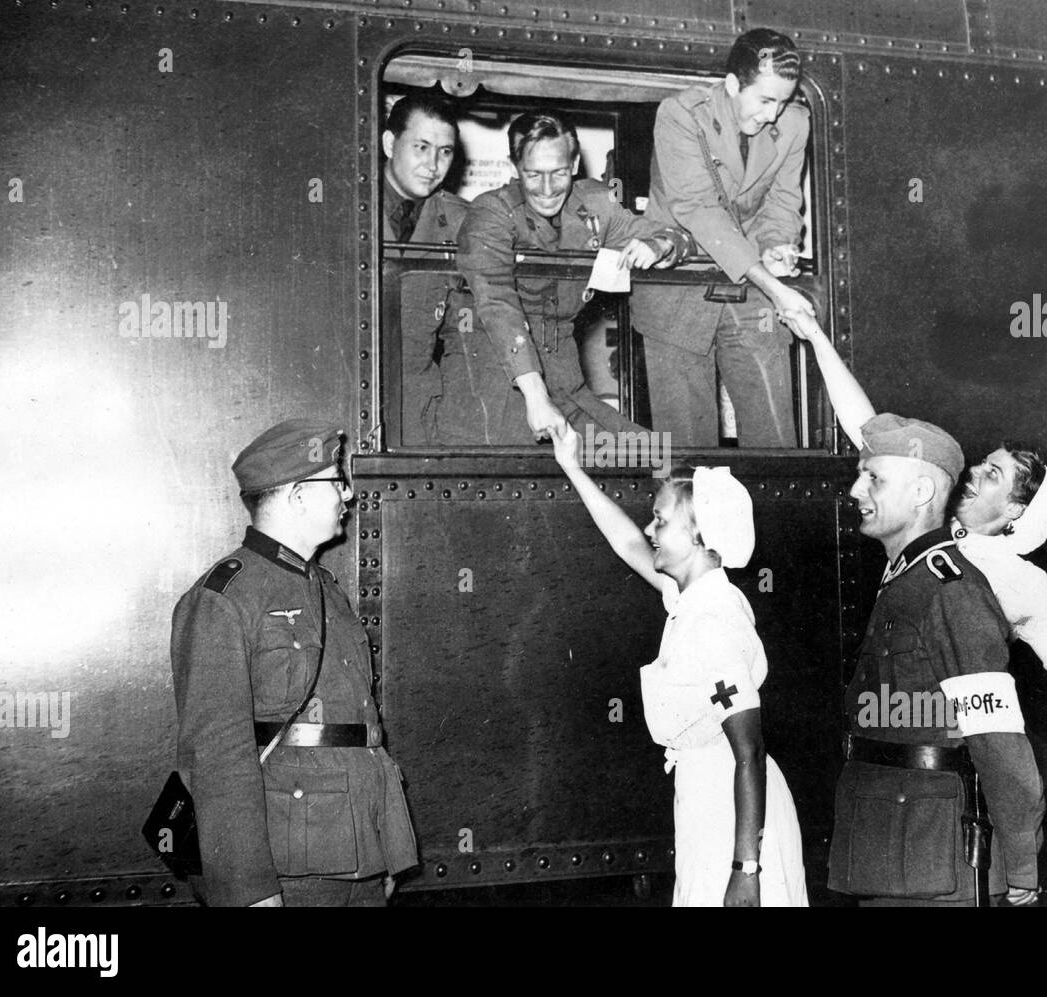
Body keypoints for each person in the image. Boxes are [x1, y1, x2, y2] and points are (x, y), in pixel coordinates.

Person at [788, 312, 1047, 697]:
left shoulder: (1020, 581)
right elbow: (867, 429)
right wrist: (815, 336)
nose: (974, 471)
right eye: (982, 463)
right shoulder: (931, 509)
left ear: (1014, 510)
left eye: (992, 474)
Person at [549, 423, 808, 906]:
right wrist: (571, 466)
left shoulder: (713, 619)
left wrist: (746, 870)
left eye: (660, 521)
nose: (650, 529)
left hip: (736, 820)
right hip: (709, 807)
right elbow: (627, 544)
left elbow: (748, 752)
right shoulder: (690, 599)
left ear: (698, 534)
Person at [171, 419, 418, 906]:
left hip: (355, 853)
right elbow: (218, 757)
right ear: (299, 496)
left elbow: (360, 731)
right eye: (336, 482)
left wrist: (384, 843)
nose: (347, 496)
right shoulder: (225, 597)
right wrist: (249, 891)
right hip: (289, 866)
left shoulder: (325, 588)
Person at [827, 413, 1045, 906]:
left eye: (874, 478)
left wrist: (1021, 865)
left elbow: (998, 740)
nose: (857, 490)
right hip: (887, 849)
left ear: (923, 492)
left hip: (935, 859)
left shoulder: (951, 591)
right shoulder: (904, 580)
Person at [458, 110, 692, 443]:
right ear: (513, 168)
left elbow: (679, 236)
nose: (548, 188)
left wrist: (660, 243)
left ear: (576, 164)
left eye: (559, 172)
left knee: (653, 455)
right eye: (533, 174)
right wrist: (536, 396)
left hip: (563, 375)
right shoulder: (490, 213)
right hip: (495, 372)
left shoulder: (595, 205)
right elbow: (496, 303)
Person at [630, 27, 816, 447]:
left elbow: (783, 203)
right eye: (765, 100)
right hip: (677, 293)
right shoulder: (680, 115)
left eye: (783, 101)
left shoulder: (795, 123)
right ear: (732, 85)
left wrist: (776, 244)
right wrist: (773, 285)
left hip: (748, 298)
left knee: (777, 444)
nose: (773, 114)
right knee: (687, 453)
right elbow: (699, 211)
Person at [381, 94, 495, 445]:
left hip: (417, 409)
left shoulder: (460, 222)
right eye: (421, 147)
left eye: (445, 152)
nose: (433, 165)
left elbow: (465, 334)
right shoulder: (342, 206)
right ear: (389, 143)